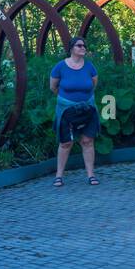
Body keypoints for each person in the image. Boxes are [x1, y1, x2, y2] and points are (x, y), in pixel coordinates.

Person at [49, 38, 100, 187]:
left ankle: (91, 175)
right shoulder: (60, 67)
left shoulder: (90, 67)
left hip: (87, 109)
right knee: (66, 143)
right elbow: (53, 87)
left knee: (87, 141)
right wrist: (69, 100)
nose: (83, 48)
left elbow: (93, 85)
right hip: (67, 110)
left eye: (84, 45)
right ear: (71, 48)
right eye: (79, 45)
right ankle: (59, 176)